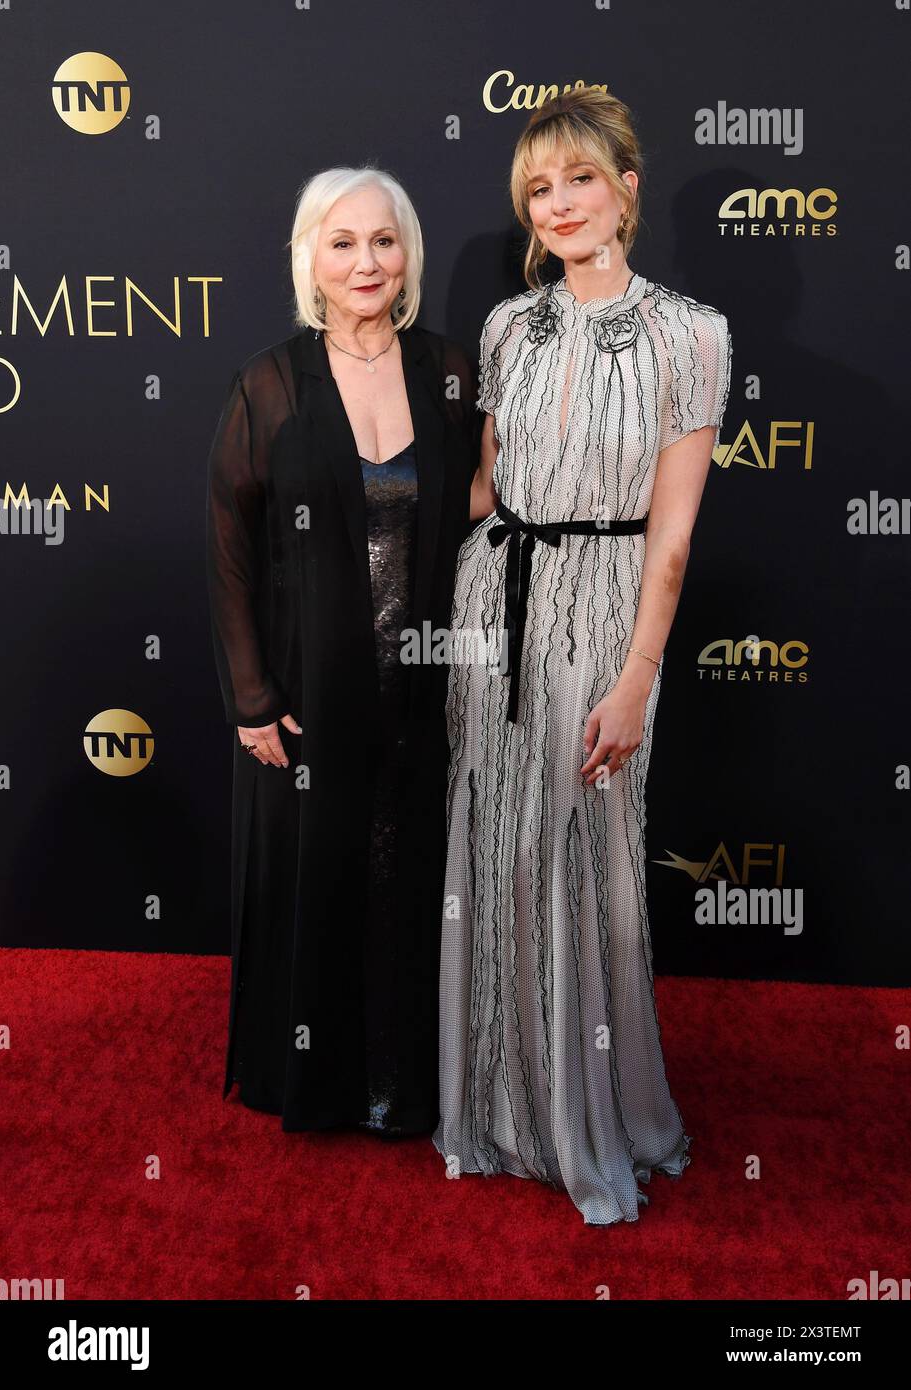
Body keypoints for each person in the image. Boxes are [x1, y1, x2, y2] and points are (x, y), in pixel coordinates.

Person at [433, 89, 732, 1223]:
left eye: (579, 180)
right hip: (492, 600)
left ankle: (593, 1117)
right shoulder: (511, 325)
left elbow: (673, 536)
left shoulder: (689, 333)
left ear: (626, 188)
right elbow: (484, 486)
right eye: (538, 187)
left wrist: (637, 675)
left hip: (603, 614)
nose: (557, 203)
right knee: (498, 851)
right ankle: (501, 1109)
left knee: (583, 856)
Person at [206, 167, 478, 1136]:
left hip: (426, 689)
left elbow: (486, 509)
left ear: (407, 256)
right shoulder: (270, 384)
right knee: (320, 874)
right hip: (309, 687)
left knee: (412, 876)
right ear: (308, 261)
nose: (366, 262)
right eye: (342, 242)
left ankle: (407, 1082)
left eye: (384, 241)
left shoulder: (449, 374)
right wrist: (249, 696)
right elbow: (231, 546)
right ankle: (317, 1084)